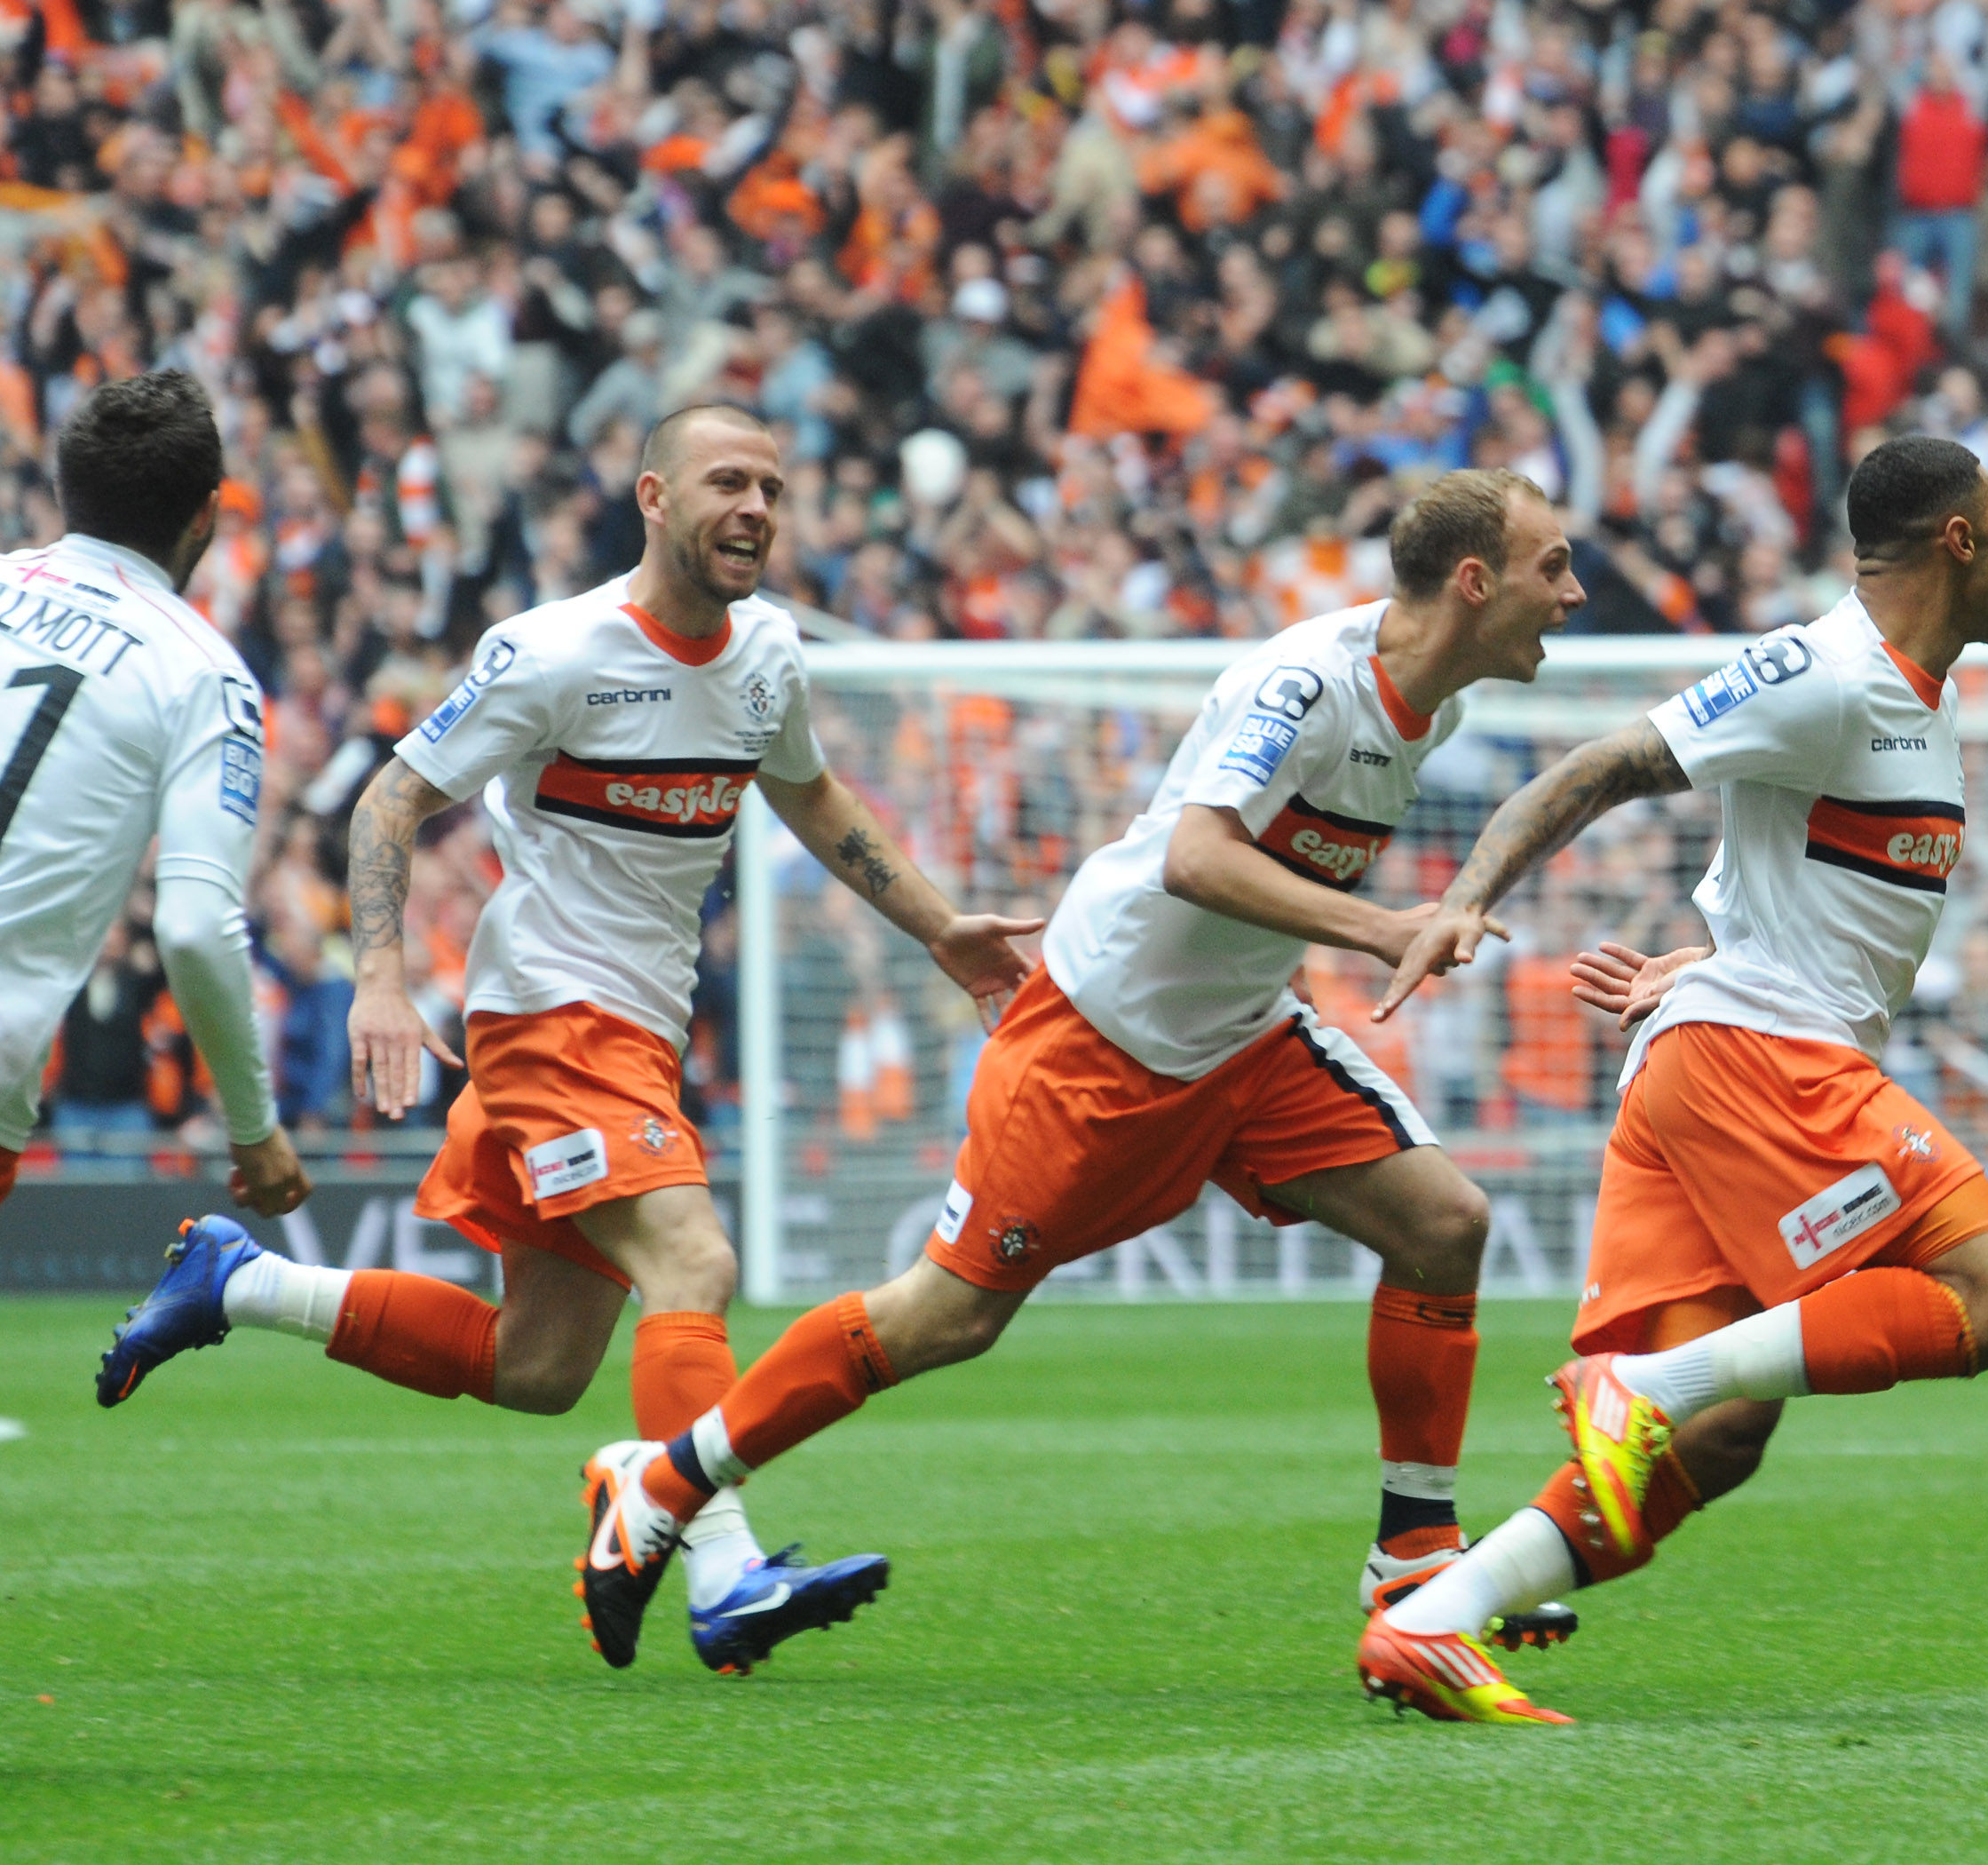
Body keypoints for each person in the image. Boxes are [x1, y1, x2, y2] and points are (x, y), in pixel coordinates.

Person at [572, 468, 1589, 1670]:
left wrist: (1293, 972)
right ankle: (660, 1483)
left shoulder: (1433, 710)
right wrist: (1377, 929)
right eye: (1551, 566)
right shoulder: (1306, 683)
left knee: (1443, 1226)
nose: (1571, 593)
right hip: (1099, 1041)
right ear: (1471, 582)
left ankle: (1412, 1552)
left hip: (1244, 1038)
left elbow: (1272, 873)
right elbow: (1196, 859)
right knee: (947, 1317)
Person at [99, 403, 1039, 1679]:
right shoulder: (552, 653)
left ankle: (237, 1282)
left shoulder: (768, 653)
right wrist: (382, 975)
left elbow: (809, 792)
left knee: (536, 1363)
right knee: (693, 1260)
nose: (755, 507)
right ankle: (721, 1567)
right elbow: (391, 799)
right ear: (654, 497)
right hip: (551, 1018)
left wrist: (938, 929)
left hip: (639, 1031)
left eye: (771, 487)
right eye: (727, 481)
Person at [1354, 435, 1988, 1724]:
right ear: (1958, 542)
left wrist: (1718, 953)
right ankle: (1638, 1388)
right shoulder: (1824, 673)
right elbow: (1597, 768)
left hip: (1717, 1053)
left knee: (1720, 1437)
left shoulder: (1923, 696)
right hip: (1761, 1062)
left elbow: (1791, 878)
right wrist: (1461, 899)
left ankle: (1430, 1622)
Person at [0, 372, 308, 1235]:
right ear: (206, 514)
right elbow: (195, 927)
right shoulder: (205, 675)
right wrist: (254, 1127)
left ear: (64, 485)